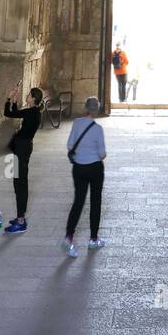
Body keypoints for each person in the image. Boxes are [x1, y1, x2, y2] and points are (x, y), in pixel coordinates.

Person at [63, 96, 107, 257]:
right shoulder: (97, 129)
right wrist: (95, 154)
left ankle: (68, 237)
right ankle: (93, 239)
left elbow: (69, 145)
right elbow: (102, 154)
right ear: (96, 111)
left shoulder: (76, 123)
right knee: (95, 201)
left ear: (85, 108)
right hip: (95, 168)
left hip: (78, 168)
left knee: (78, 202)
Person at [3, 84, 44, 234]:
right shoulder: (34, 111)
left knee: (20, 183)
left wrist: (9, 97)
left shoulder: (32, 112)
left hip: (22, 149)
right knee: (17, 180)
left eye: (28, 95)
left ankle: (20, 221)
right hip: (22, 148)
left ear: (33, 99)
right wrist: (13, 98)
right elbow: (14, 112)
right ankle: (20, 217)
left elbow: (8, 113)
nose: (26, 97)